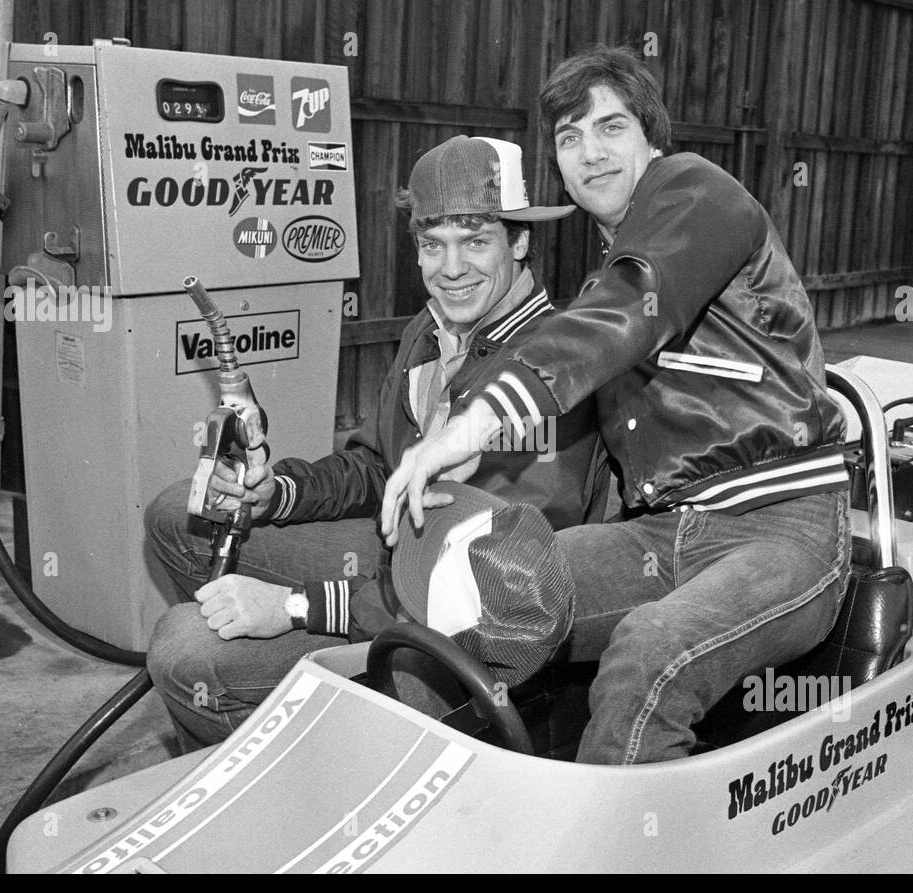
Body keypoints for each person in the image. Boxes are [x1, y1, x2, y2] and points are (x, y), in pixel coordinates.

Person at [380, 46, 853, 766]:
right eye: (570, 139)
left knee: (648, 648)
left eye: (610, 128)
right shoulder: (606, 269)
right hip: (663, 536)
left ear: (651, 136)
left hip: (782, 529)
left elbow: (625, 312)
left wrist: (476, 421)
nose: (590, 154)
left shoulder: (699, 193)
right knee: (490, 586)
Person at [145, 135, 608, 750]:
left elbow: (484, 589)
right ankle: (292, 714)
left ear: (521, 242)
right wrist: (275, 493)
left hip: (457, 618)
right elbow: (373, 465)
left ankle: (314, 789)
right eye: (432, 243)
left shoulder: (547, 370)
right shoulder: (436, 327)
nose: (450, 268)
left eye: (475, 241)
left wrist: (293, 608)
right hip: (396, 554)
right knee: (182, 513)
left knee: (185, 651)